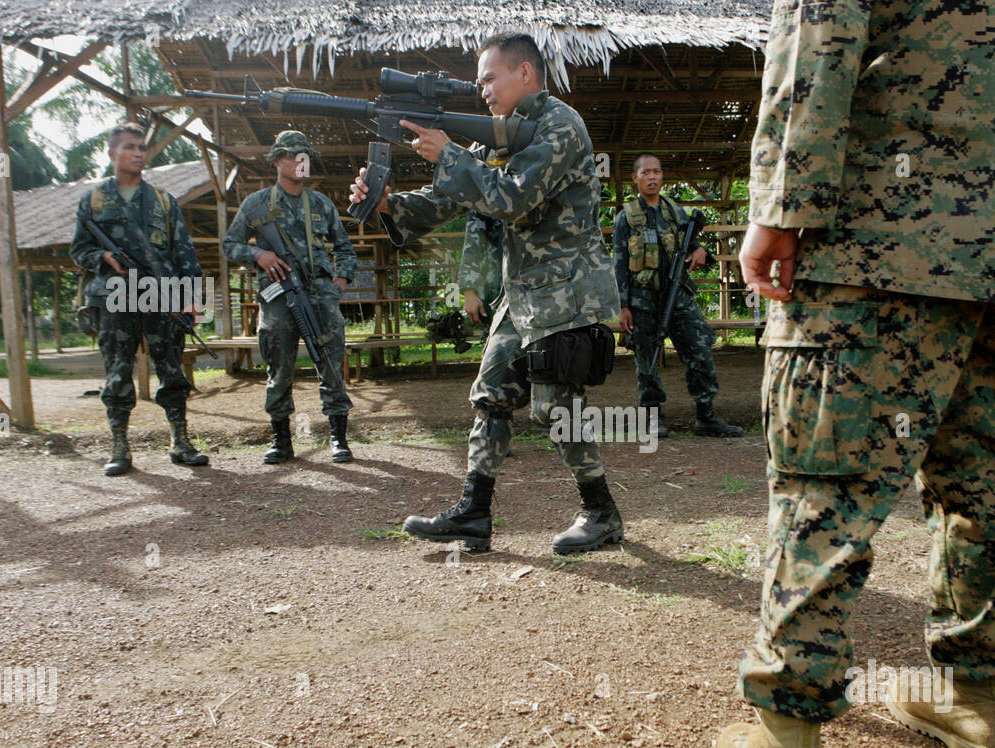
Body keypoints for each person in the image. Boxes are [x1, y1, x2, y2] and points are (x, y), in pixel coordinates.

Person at [715, 0, 995, 748]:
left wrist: (779, 202)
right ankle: (978, 699)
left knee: (827, 483)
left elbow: (819, 29)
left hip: (876, 233)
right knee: (992, 481)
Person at [351, 32, 624, 555]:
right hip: (521, 297)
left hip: (565, 295)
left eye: (488, 78)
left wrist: (449, 153)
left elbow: (513, 198)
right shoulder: (498, 137)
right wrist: (389, 204)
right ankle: (474, 514)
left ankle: (600, 512)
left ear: (525, 73)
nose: (481, 91)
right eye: (478, 83)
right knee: (491, 395)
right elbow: (446, 198)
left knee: (556, 407)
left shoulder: (559, 126)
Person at [69, 121, 209, 476]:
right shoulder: (94, 201)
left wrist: (190, 298)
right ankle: (120, 448)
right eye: (130, 147)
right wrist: (102, 258)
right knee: (117, 373)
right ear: (113, 153)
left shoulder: (163, 200)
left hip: (160, 293)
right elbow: (78, 250)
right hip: (114, 295)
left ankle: (181, 442)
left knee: (172, 370)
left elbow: (184, 252)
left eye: (142, 148)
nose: (138, 154)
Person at [223, 130, 358, 463]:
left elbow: (344, 247)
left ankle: (338, 439)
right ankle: (281, 440)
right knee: (279, 367)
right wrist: (259, 256)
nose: (300, 162)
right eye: (293, 155)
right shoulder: (256, 204)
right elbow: (230, 245)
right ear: (277, 160)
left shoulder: (321, 204)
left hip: (320, 297)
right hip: (279, 299)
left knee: (329, 363)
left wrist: (339, 282)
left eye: (305, 156)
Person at [613, 154, 742, 438]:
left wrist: (700, 252)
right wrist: (623, 306)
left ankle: (706, 415)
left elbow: (695, 247)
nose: (652, 177)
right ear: (636, 178)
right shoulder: (626, 217)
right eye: (646, 172)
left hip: (679, 296)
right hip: (643, 299)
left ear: (662, 176)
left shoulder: (675, 211)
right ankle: (653, 417)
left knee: (699, 349)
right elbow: (619, 264)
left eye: (656, 172)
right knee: (646, 360)